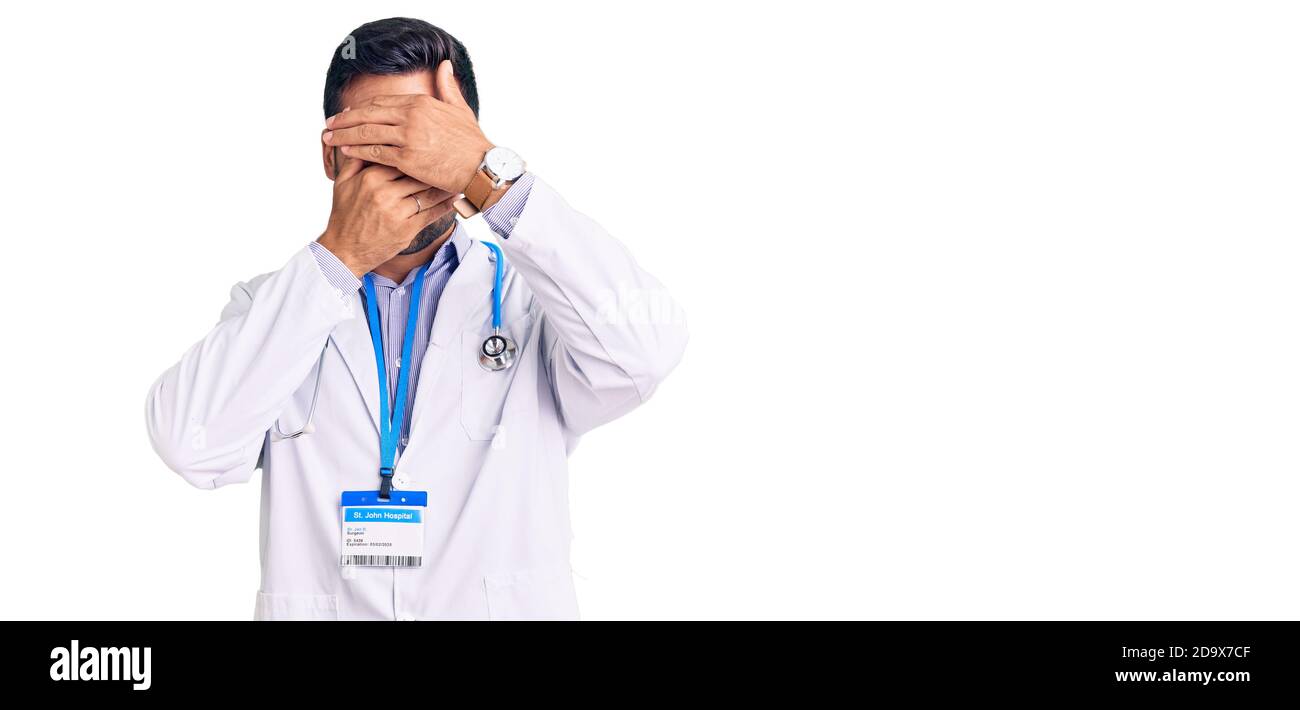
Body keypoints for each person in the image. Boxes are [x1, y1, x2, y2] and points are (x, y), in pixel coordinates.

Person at [145, 17, 687, 620]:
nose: (405, 168)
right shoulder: (275, 307)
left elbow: (644, 351)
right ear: (331, 155)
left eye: (424, 142)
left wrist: (494, 180)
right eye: (379, 140)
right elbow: (191, 444)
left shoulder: (535, 305)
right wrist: (338, 260)